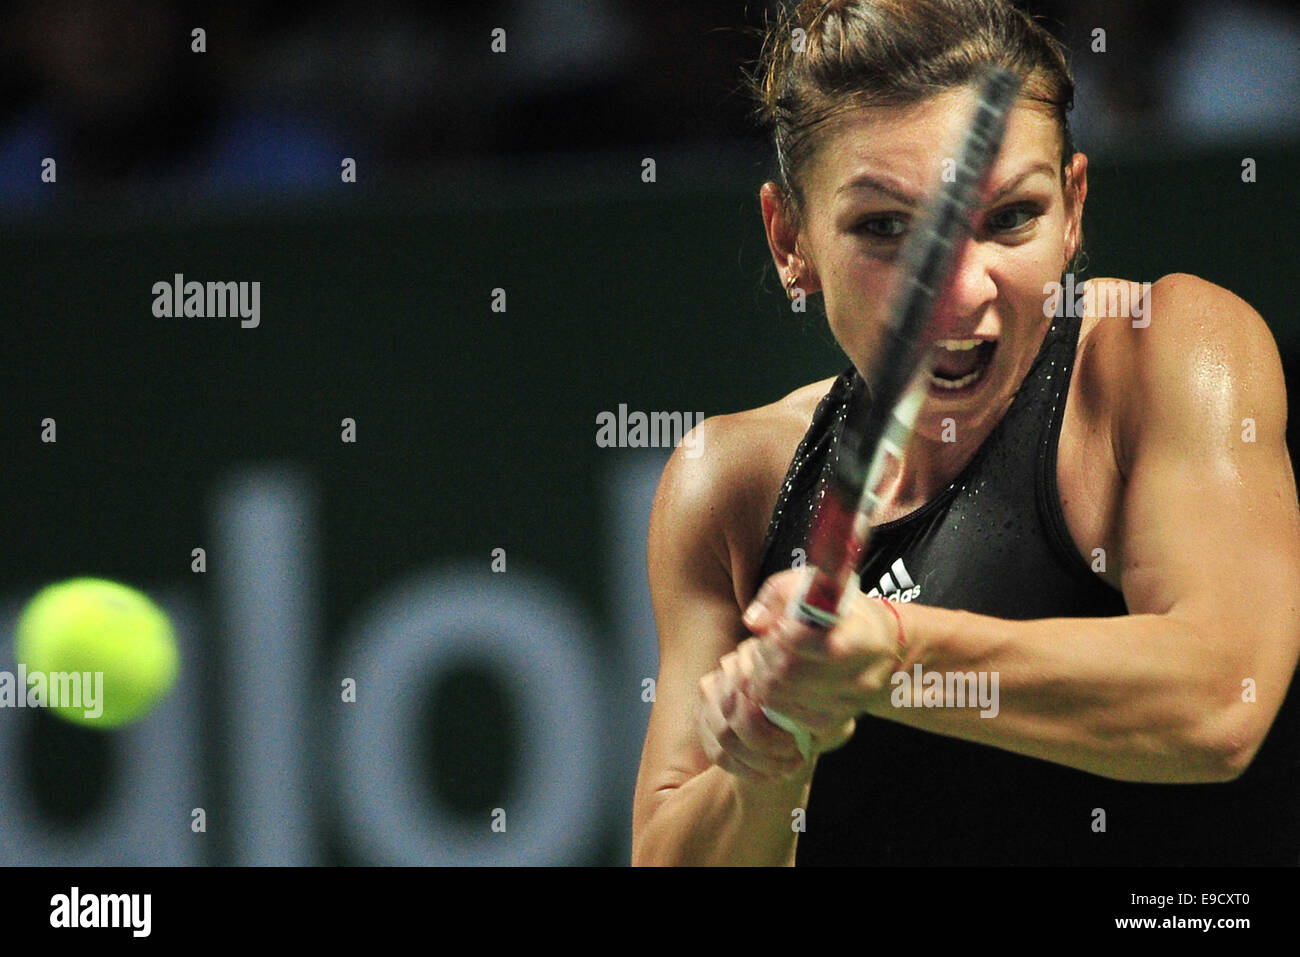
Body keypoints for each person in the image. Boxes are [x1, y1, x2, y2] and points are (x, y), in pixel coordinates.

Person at [630, 0, 1300, 866]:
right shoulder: (727, 481)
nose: (955, 292)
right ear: (788, 238)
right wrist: (770, 751)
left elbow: (1222, 700)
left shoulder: (1171, 349)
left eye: (1011, 216)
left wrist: (894, 652)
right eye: (885, 228)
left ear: (1074, 209)